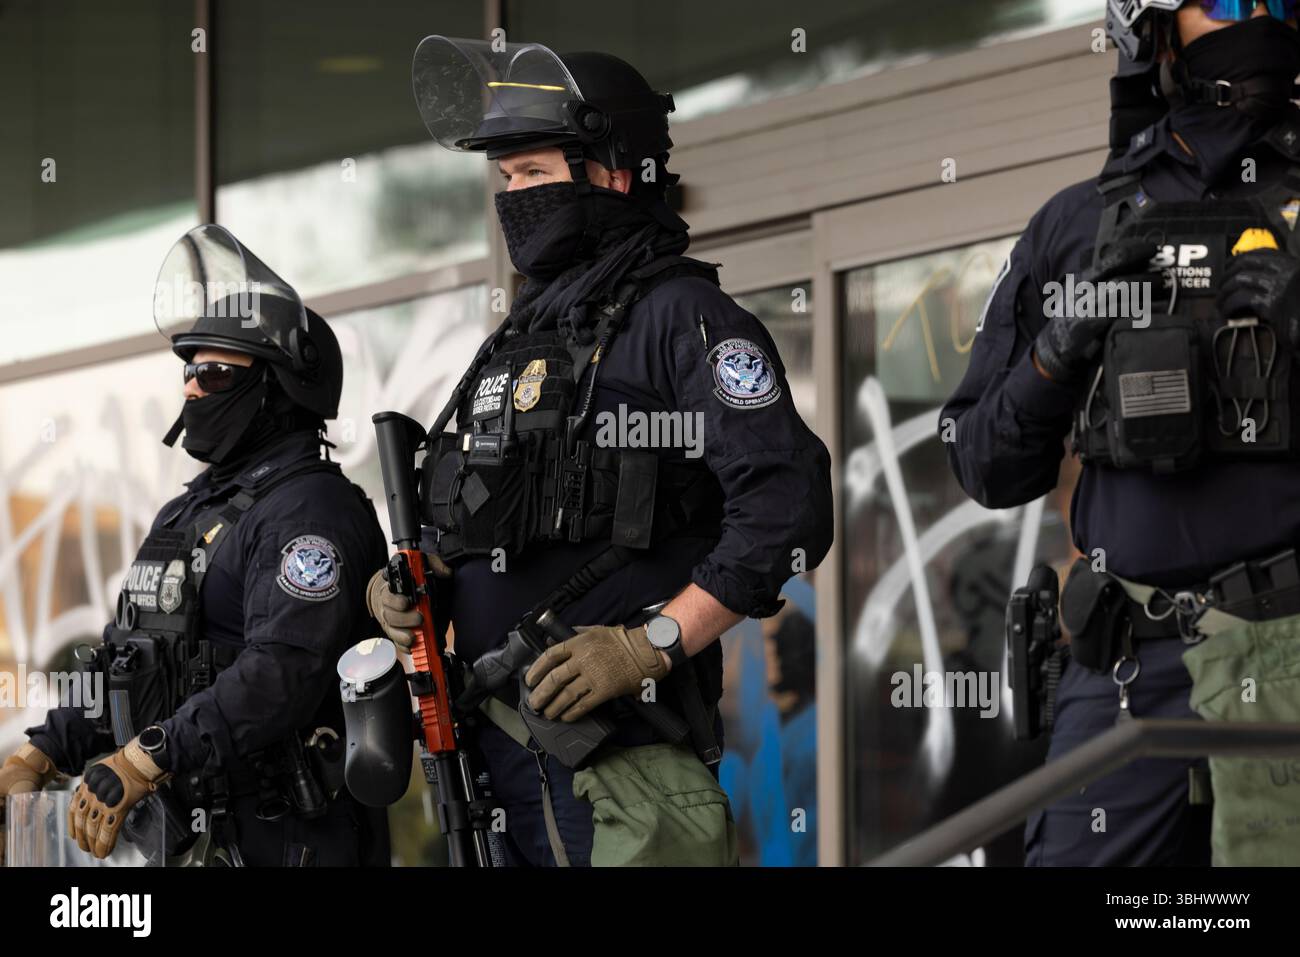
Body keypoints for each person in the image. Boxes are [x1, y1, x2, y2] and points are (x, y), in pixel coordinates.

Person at [367, 36, 834, 866]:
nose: (514, 199)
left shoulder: (683, 318)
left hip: (624, 764)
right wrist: (415, 583)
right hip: (491, 763)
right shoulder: (518, 344)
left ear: (614, 173)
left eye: (535, 176)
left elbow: (787, 511)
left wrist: (646, 644)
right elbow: (472, 521)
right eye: (505, 180)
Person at [942, 0, 1300, 865]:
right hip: (1128, 666)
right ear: (1150, 28)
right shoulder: (1077, 223)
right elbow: (982, 461)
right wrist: (1057, 355)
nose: (1254, 18)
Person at [0, 225, 390, 866]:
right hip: (187, 836)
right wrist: (41, 750)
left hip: (287, 837)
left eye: (212, 373)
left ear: (278, 384)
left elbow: (280, 673)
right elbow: (127, 658)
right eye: (188, 369)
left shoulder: (309, 509)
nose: (189, 389)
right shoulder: (188, 510)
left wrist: (144, 756)